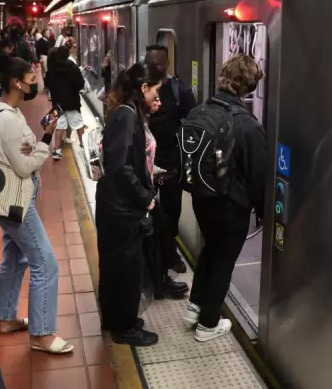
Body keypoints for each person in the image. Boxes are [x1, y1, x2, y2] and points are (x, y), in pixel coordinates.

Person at [0, 57, 74, 354]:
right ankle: (41, 334)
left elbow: (6, 150)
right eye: (31, 79)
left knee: (15, 257)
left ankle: (6, 317)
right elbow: (23, 166)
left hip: (3, 198)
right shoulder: (7, 118)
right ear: (17, 83)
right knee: (45, 262)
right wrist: (46, 140)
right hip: (14, 200)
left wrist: (28, 147)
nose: (34, 83)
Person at [182, 55, 267, 342]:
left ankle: (194, 307)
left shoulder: (201, 110)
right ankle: (208, 324)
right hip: (230, 206)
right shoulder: (248, 125)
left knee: (210, 250)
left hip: (201, 197)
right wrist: (263, 210)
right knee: (224, 261)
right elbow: (258, 175)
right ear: (249, 86)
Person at [96, 62, 164, 346]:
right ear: (143, 88)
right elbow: (121, 167)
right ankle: (124, 328)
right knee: (125, 269)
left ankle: (116, 319)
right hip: (121, 209)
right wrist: (146, 198)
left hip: (115, 205)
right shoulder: (126, 116)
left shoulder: (126, 112)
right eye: (155, 91)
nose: (157, 97)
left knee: (116, 267)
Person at [145, 44, 198, 273]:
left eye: (157, 63)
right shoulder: (141, 88)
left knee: (171, 210)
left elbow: (193, 120)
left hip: (171, 161)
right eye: (148, 62)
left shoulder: (179, 91)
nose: (152, 67)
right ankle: (149, 251)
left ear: (166, 64)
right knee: (145, 206)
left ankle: (169, 253)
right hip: (145, 160)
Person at [45, 45, 85, 161]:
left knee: (59, 126)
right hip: (72, 102)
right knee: (79, 124)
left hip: (58, 103)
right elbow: (80, 84)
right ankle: (84, 145)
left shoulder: (52, 68)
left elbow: (47, 83)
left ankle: (56, 150)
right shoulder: (72, 67)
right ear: (67, 54)